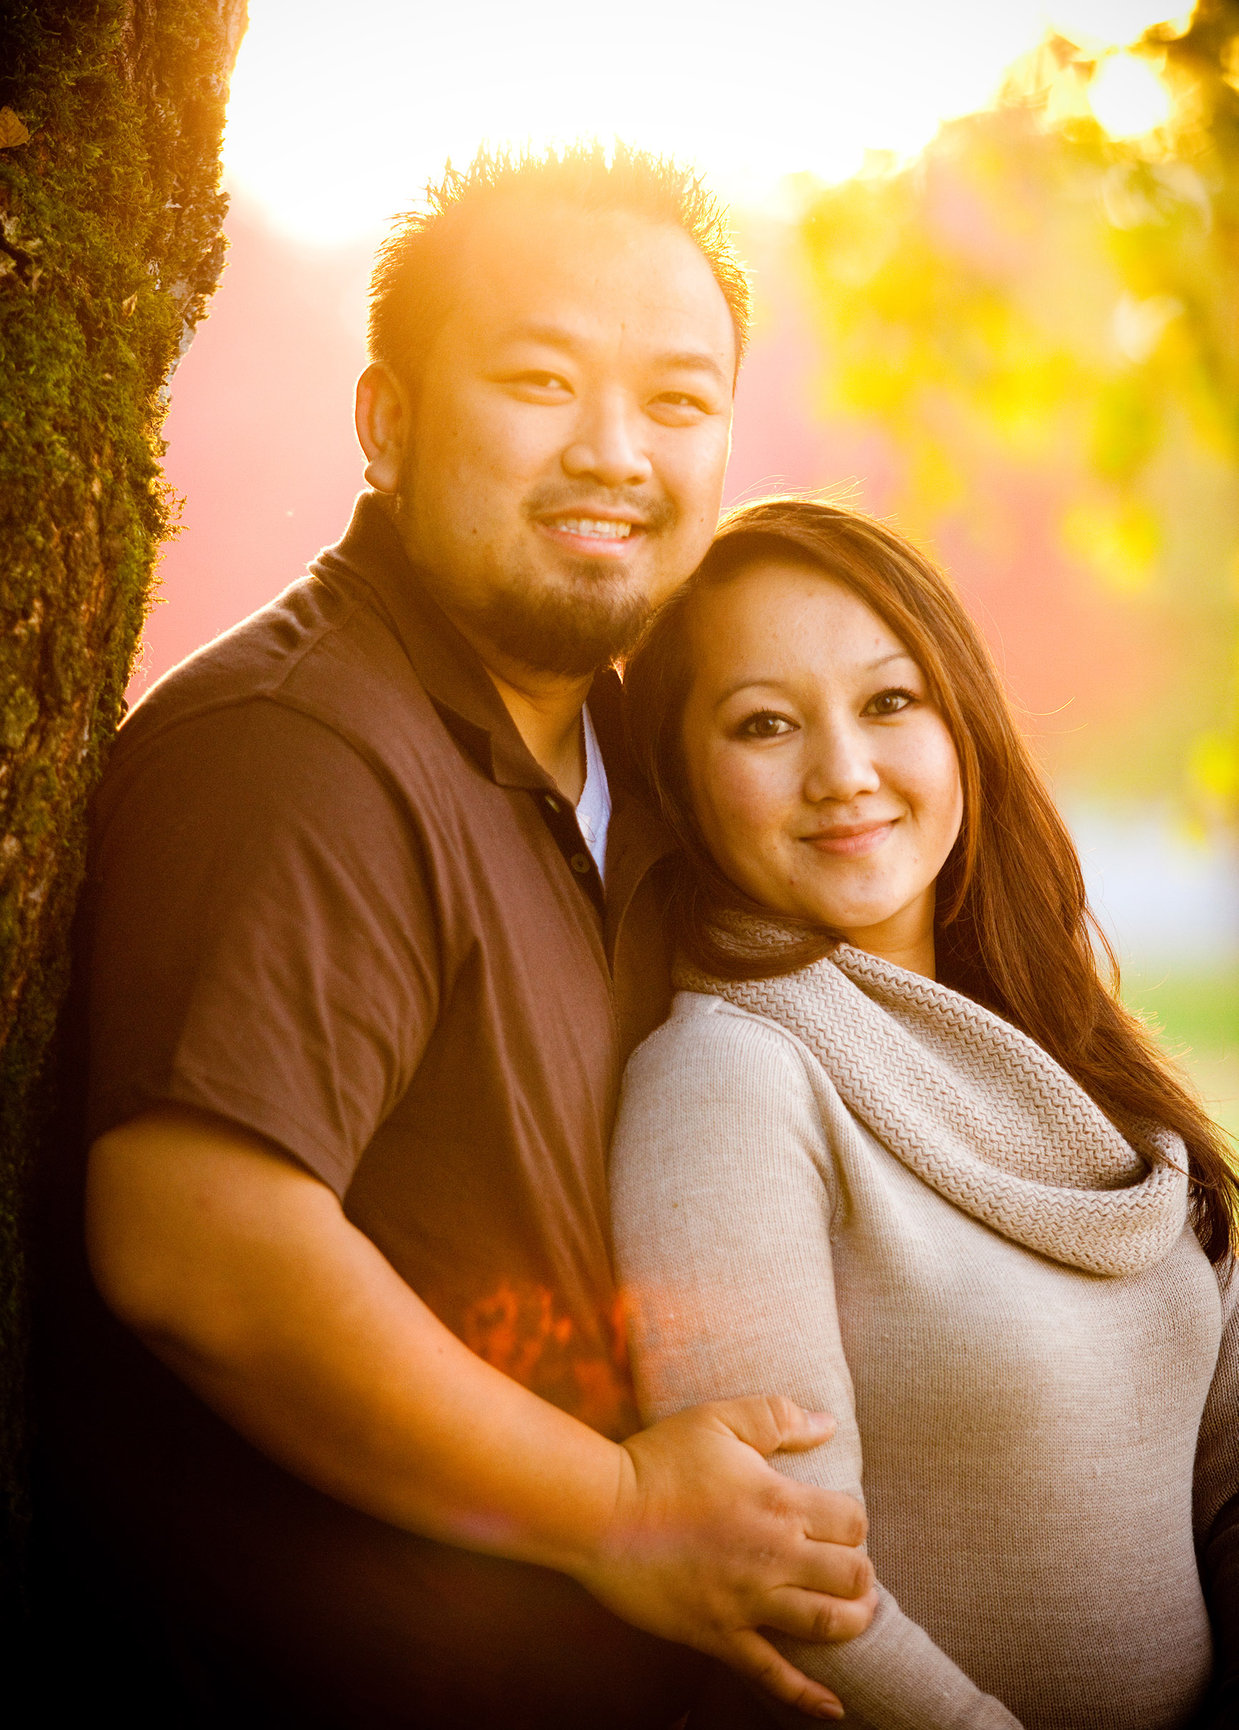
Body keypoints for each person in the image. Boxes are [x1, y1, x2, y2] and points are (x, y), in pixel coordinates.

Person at [32, 149, 878, 1730]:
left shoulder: (640, 746)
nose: (613, 453)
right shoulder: (304, 748)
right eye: (539, 381)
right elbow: (196, 1245)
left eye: (679, 402)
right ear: (388, 421)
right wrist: (617, 1510)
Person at [612, 496, 1239, 1730]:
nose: (843, 770)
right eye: (764, 723)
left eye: (890, 702)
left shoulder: (1067, 1045)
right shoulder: (731, 1079)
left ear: (962, 722)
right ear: (683, 781)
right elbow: (799, 1583)